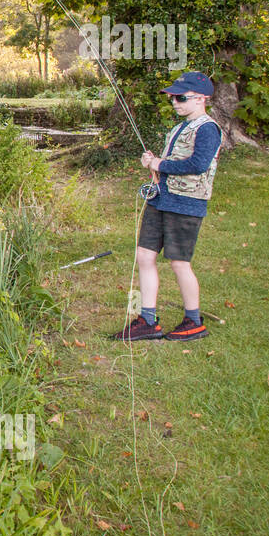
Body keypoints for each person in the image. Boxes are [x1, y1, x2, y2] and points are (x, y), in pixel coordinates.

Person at [111, 71, 222, 341]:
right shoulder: (180, 127)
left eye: (180, 97)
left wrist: (161, 164)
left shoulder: (208, 128)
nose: (174, 102)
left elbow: (198, 164)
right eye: (172, 97)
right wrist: (154, 162)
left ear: (201, 99)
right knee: (144, 256)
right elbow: (175, 161)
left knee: (179, 263)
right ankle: (148, 321)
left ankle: (194, 322)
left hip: (186, 204)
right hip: (161, 199)